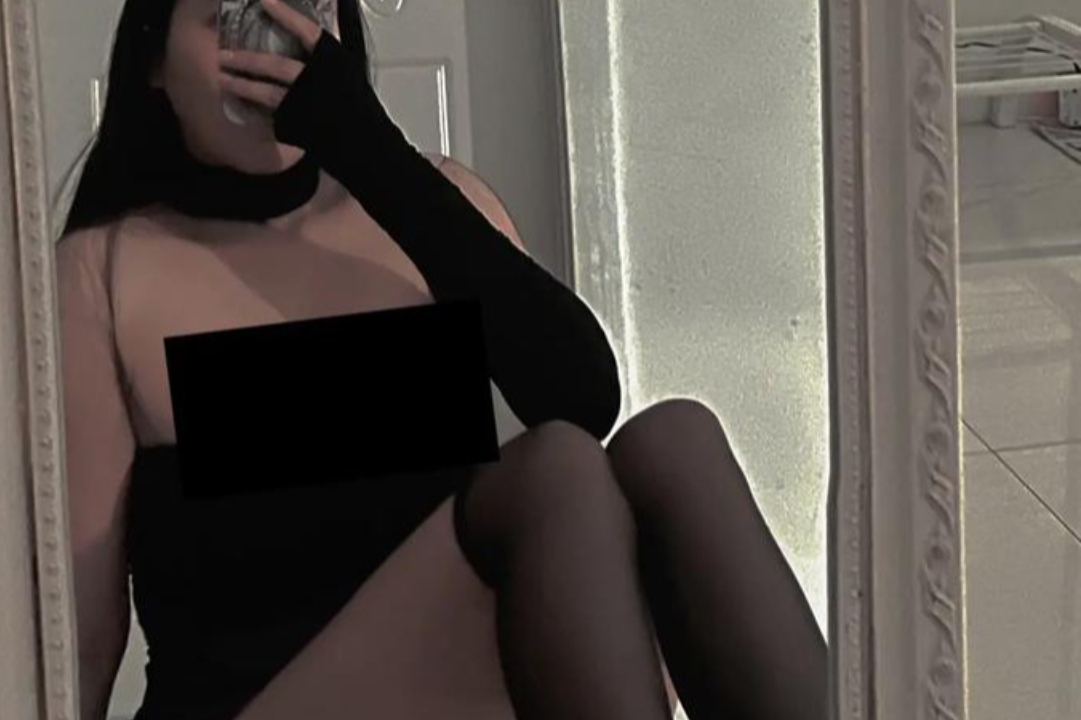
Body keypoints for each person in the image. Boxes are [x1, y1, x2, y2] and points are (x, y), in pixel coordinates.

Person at [56, 0, 829, 719]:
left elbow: (584, 397)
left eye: (304, 8)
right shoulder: (106, 269)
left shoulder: (422, 202)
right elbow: (82, 625)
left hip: (453, 672)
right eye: (232, 16)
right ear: (153, 59)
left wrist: (366, 147)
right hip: (257, 698)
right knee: (555, 472)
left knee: (675, 441)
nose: (272, 47)